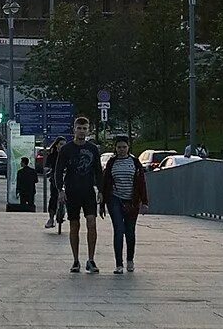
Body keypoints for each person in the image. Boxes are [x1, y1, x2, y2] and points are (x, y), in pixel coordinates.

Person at [53, 116, 105, 273]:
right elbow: (58, 170)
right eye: (79, 128)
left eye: (85, 128)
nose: (82, 131)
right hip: (72, 191)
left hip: (88, 191)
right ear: (74, 129)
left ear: (88, 130)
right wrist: (60, 190)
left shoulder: (93, 149)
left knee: (91, 223)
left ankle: (91, 259)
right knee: (74, 225)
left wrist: (101, 191)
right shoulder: (66, 149)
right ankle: (75, 260)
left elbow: (98, 171)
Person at [100, 136, 150, 274]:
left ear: (128, 148)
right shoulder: (111, 163)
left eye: (124, 147)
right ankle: (118, 264)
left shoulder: (135, 162)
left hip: (132, 201)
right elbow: (105, 183)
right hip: (115, 199)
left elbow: (142, 183)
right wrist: (102, 203)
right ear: (115, 148)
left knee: (130, 232)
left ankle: (130, 260)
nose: (121, 150)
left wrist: (144, 202)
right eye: (119, 147)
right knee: (118, 230)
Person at [43, 137, 66, 229]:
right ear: (56, 145)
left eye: (64, 144)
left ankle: (64, 212)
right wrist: (48, 170)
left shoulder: (68, 154)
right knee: (53, 197)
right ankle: (51, 218)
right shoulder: (52, 155)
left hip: (67, 178)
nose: (62, 146)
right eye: (61, 144)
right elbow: (47, 166)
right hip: (55, 178)